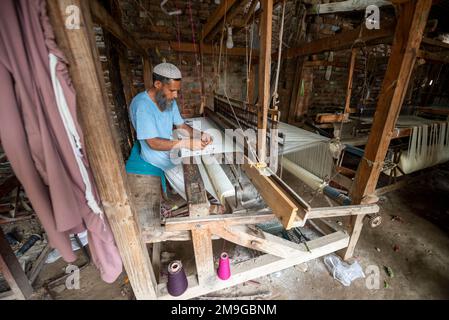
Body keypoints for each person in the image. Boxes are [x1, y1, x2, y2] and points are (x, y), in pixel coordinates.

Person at [129, 62, 212, 199]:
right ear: (158, 84)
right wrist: (186, 144)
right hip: (157, 158)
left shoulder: (168, 101)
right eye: (172, 90)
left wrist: (200, 135)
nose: (175, 95)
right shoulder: (142, 106)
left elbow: (181, 126)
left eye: (177, 90)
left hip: (172, 150)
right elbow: (153, 143)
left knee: (201, 174)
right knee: (198, 193)